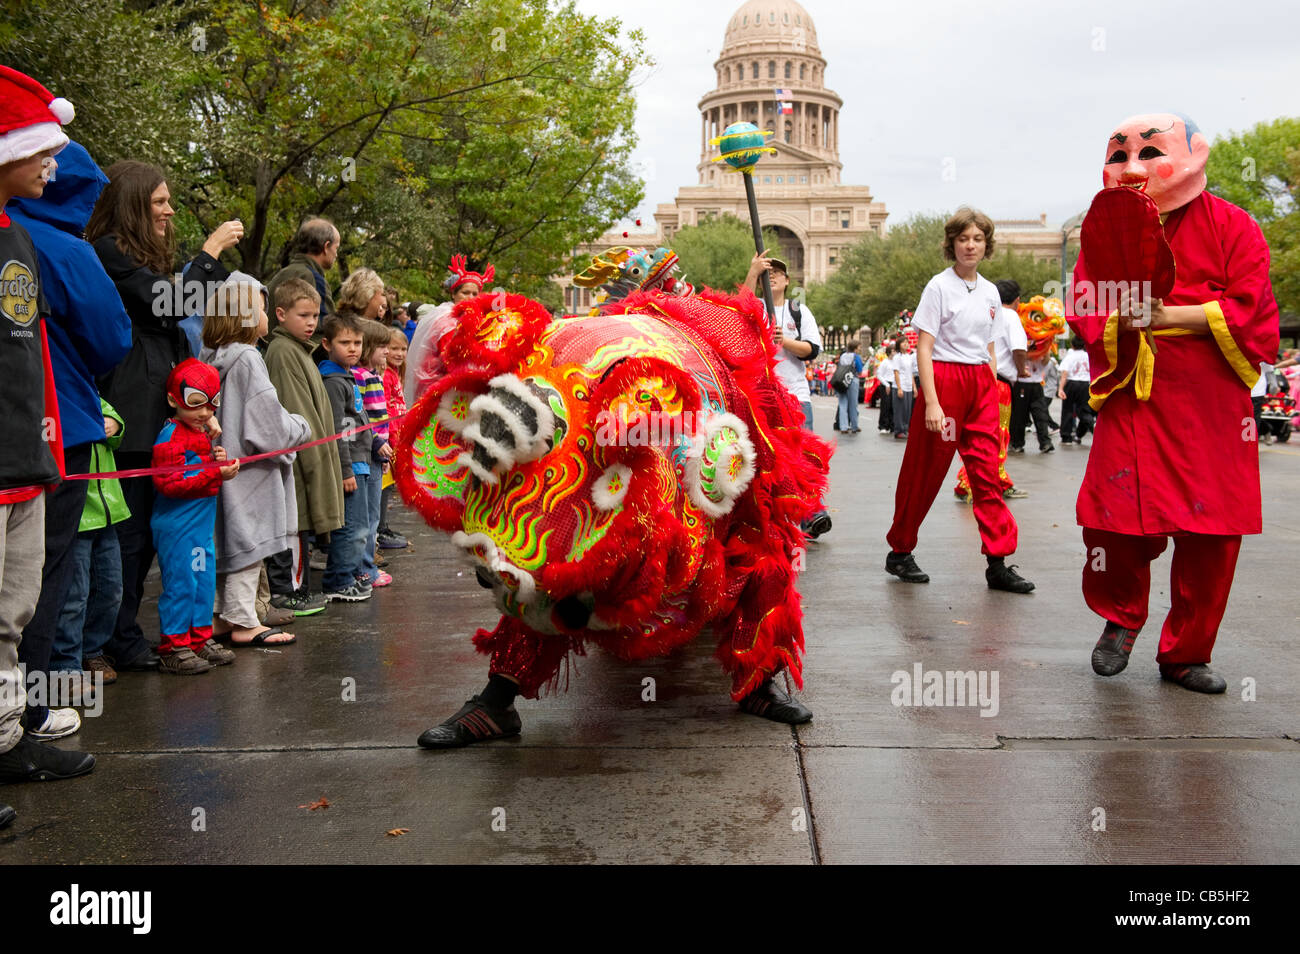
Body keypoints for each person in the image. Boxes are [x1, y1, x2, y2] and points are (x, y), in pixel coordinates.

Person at [1070, 112, 1279, 693]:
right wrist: (1124, 321)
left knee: (1213, 532)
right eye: (1118, 156)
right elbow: (1086, 304)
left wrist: (1172, 316)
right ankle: (1121, 616)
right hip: (1136, 391)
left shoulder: (1234, 227)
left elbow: (1254, 310)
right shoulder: (1103, 231)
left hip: (1212, 403)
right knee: (1113, 518)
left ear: (1194, 154)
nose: (1132, 167)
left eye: (1150, 152)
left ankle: (1187, 653)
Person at [86, 160, 242, 673]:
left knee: (153, 539)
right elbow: (173, 306)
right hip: (130, 417)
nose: (169, 210)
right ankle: (106, 642)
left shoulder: (138, 259)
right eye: (159, 201)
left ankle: (142, 637)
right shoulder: (106, 253)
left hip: (162, 417)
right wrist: (211, 253)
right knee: (128, 542)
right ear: (131, 204)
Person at [9, 139, 132, 737]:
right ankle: (31, 711)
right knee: (41, 575)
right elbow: (111, 338)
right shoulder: (64, 248)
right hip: (61, 423)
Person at [0, 65, 96, 805]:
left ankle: (5, 740)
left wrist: (46, 451)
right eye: (43, 151)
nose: (54, 166)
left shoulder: (19, 239)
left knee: (14, 611)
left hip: (25, 459)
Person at [884, 208, 1034, 594]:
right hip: (944, 380)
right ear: (952, 244)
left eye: (978, 239)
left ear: (987, 245)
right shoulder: (939, 287)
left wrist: (994, 385)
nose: (971, 245)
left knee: (987, 472)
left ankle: (998, 562)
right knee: (926, 470)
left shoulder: (989, 293)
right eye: (963, 239)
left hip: (981, 382)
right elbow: (924, 348)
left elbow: (989, 347)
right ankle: (900, 550)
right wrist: (932, 402)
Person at [200, 280, 308, 647]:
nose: (266, 315)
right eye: (262, 309)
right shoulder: (248, 358)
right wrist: (300, 426)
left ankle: (220, 614)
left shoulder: (209, 356)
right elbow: (268, 425)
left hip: (222, 464)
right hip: (251, 470)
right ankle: (244, 619)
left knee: (228, 540)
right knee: (252, 542)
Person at [150, 359, 240, 673]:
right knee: (181, 584)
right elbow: (168, 483)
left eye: (212, 403)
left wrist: (217, 462)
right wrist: (214, 472)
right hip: (177, 530)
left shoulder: (198, 431)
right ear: (174, 400)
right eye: (196, 403)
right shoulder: (171, 436)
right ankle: (173, 646)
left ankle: (198, 640)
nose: (205, 412)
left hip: (199, 530)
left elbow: (199, 471)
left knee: (202, 582)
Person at [263, 279, 341, 616]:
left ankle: (297, 588)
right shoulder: (283, 353)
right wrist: (314, 463)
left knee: (299, 529)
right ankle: (290, 592)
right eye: (303, 315)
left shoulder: (299, 350)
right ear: (280, 314)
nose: (311, 322)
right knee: (292, 529)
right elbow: (297, 414)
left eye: (315, 316)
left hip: (307, 459)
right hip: (297, 463)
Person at [744, 253, 832, 539]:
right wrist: (752, 271)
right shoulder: (755, 306)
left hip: (795, 394)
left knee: (803, 455)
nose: (773, 276)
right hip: (762, 395)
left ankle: (812, 514)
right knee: (765, 459)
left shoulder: (799, 311)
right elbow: (737, 310)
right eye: (767, 272)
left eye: (777, 272)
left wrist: (786, 341)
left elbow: (812, 350)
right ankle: (767, 519)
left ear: (786, 280)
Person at [51, 399, 128, 688]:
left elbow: (112, 417)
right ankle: (64, 665)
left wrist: (116, 424)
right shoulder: (56, 396)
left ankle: (91, 651)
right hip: (76, 514)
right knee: (75, 597)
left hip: (108, 510)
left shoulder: (88, 392)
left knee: (111, 590)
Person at [955, 279, 1028, 500]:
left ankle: (975, 481)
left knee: (980, 435)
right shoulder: (1011, 316)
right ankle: (982, 482)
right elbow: (1018, 348)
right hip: (999, 383)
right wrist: (1022, 369)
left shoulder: (985, 312)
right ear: (1017, 301)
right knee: (998, 434)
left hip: (977, 380)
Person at [319, 313, 374, 602]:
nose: (353, 348)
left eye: (357, 343)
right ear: (327, 343)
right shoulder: (332, 381)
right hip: (349, 465)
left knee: (361, 526)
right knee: (350, 528)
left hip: (361, 461)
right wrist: (345, 470)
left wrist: (374, 443)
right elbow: (337, 430)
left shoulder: (347, 376)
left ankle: (350, 573)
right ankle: (338, 580)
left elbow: (359, 420)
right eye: (345, 343)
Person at [406, 256, 495, 401]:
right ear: (453, 294)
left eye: (475, 294)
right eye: (465, 293)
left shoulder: (476, 320)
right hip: (440, 393)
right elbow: (452, 360)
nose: (470, 298)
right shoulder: (447, 321)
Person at [352, 319, 396, 588]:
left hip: (378, 454)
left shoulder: (374, 377)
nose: (387, 352)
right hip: (368, 452)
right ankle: (363, 567)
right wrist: (377, 442)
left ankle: (367, 564)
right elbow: (362, 416)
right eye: (381, 346)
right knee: (365, 518)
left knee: (373, 517)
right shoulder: (360, 377)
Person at [265, 217, 339, 328]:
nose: (336, 254)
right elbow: (327, 329)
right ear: (326, 247)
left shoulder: (282, 274)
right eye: (336, 248)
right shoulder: (313, 278)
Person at [376, 327, 409, 550]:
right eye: (393, 348)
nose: (399, 353)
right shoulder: (386, 375)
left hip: (396, 435)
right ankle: (379, 530)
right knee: (383, 484)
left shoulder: (395, 373)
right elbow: (384, 408)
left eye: (403, 349)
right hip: (388, 437)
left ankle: (382, 526)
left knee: (387, 485)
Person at [1056, 336, 1093, 444]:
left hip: (1072, 383)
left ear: (1072, 345)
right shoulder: (1088, 356)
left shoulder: (1070, 356)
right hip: (1086, 384)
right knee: (1085, 410)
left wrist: (1061, 388)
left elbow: (1064, 373)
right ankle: (1081, 432)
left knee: (1068, 410)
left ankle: (1066, 436)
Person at [835, 341, 863, 433]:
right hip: (852, 380)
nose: (859, 349)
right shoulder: (856, 357)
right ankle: (854, 426)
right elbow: (860, 370)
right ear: (855, 348)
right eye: (859, 347)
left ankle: (843, 427)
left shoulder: (842, 356)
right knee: (853, 404)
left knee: (842, 404)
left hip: (841, 380)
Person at [892, 336, 916, 439]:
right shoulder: (897, 357)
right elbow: (896, 372)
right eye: (903, 343)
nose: (906, 344)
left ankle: (905, 429)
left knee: (907, 409)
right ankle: (898, 430)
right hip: (900, 386)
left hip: (908, 386)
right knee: (899, 409)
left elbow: (910, 373)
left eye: (907, 342)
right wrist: (899, 388)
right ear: (899, 345)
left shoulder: (909, 357)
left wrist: (914, 387)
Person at [875, 344, 895, 433]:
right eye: (893, 350)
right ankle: (883, 425)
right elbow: (879, 374)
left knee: (893, 406)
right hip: (886, 384)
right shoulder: (885, 362)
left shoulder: (896, 362)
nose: (895, 352)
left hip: (894, 385)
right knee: (885, 406)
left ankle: (892, 425)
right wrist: (886, 384)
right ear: (889, 352)